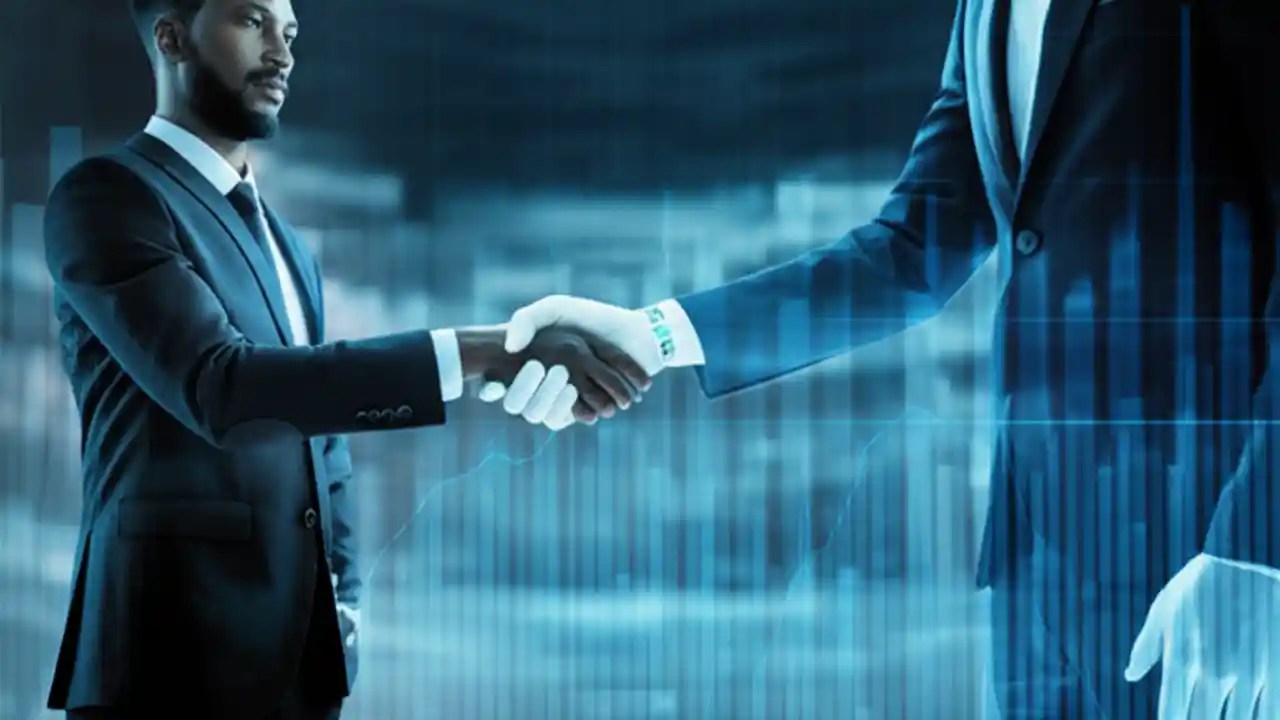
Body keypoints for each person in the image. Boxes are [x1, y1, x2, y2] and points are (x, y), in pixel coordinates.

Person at [500, 0, 1280, 716]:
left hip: (1208, 563)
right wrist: (654, 335)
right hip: (1034, 573)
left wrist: (1257, 548)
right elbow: (909, 252)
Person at [41, 0, 651, 717]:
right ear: (173, 38)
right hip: (165, 661)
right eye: (253, 23)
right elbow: (219, 385)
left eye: (290, 32)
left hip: (297, 667)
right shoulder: (107, 197)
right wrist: (482, 353)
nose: (282, 52)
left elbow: (322, 447)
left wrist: (345, 603)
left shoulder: (289, 248)